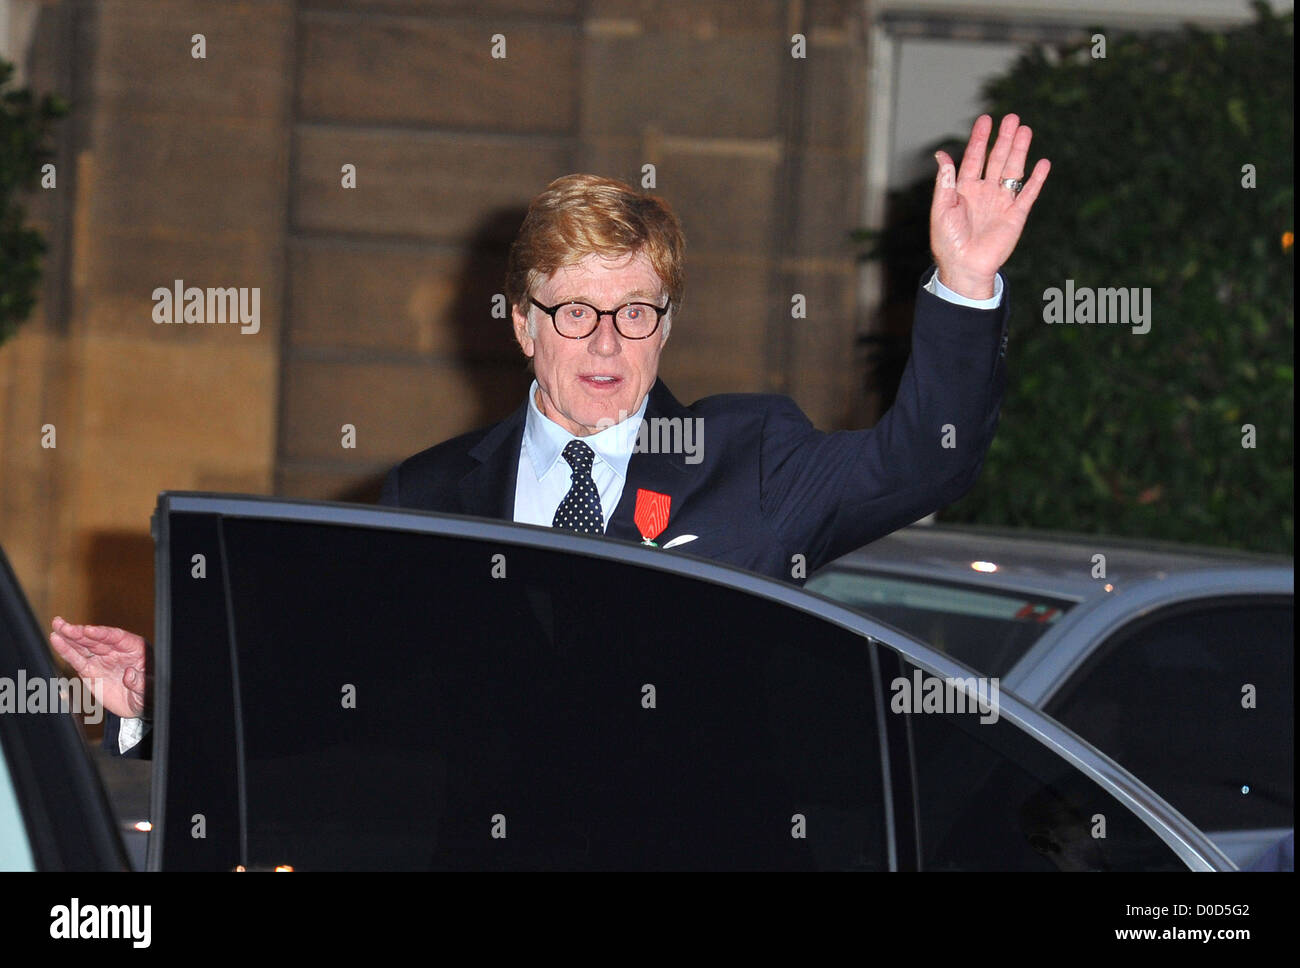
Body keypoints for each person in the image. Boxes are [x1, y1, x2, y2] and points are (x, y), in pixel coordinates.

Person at [51, 113, 1050, 758]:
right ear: (523, 324)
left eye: (637, 311)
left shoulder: (749, 460)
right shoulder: (431, 491)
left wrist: (964, 287)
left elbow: (928, 456)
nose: (606, 343)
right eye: (574, 311)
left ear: (669, 320)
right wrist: (153, 697)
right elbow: (326, 686)